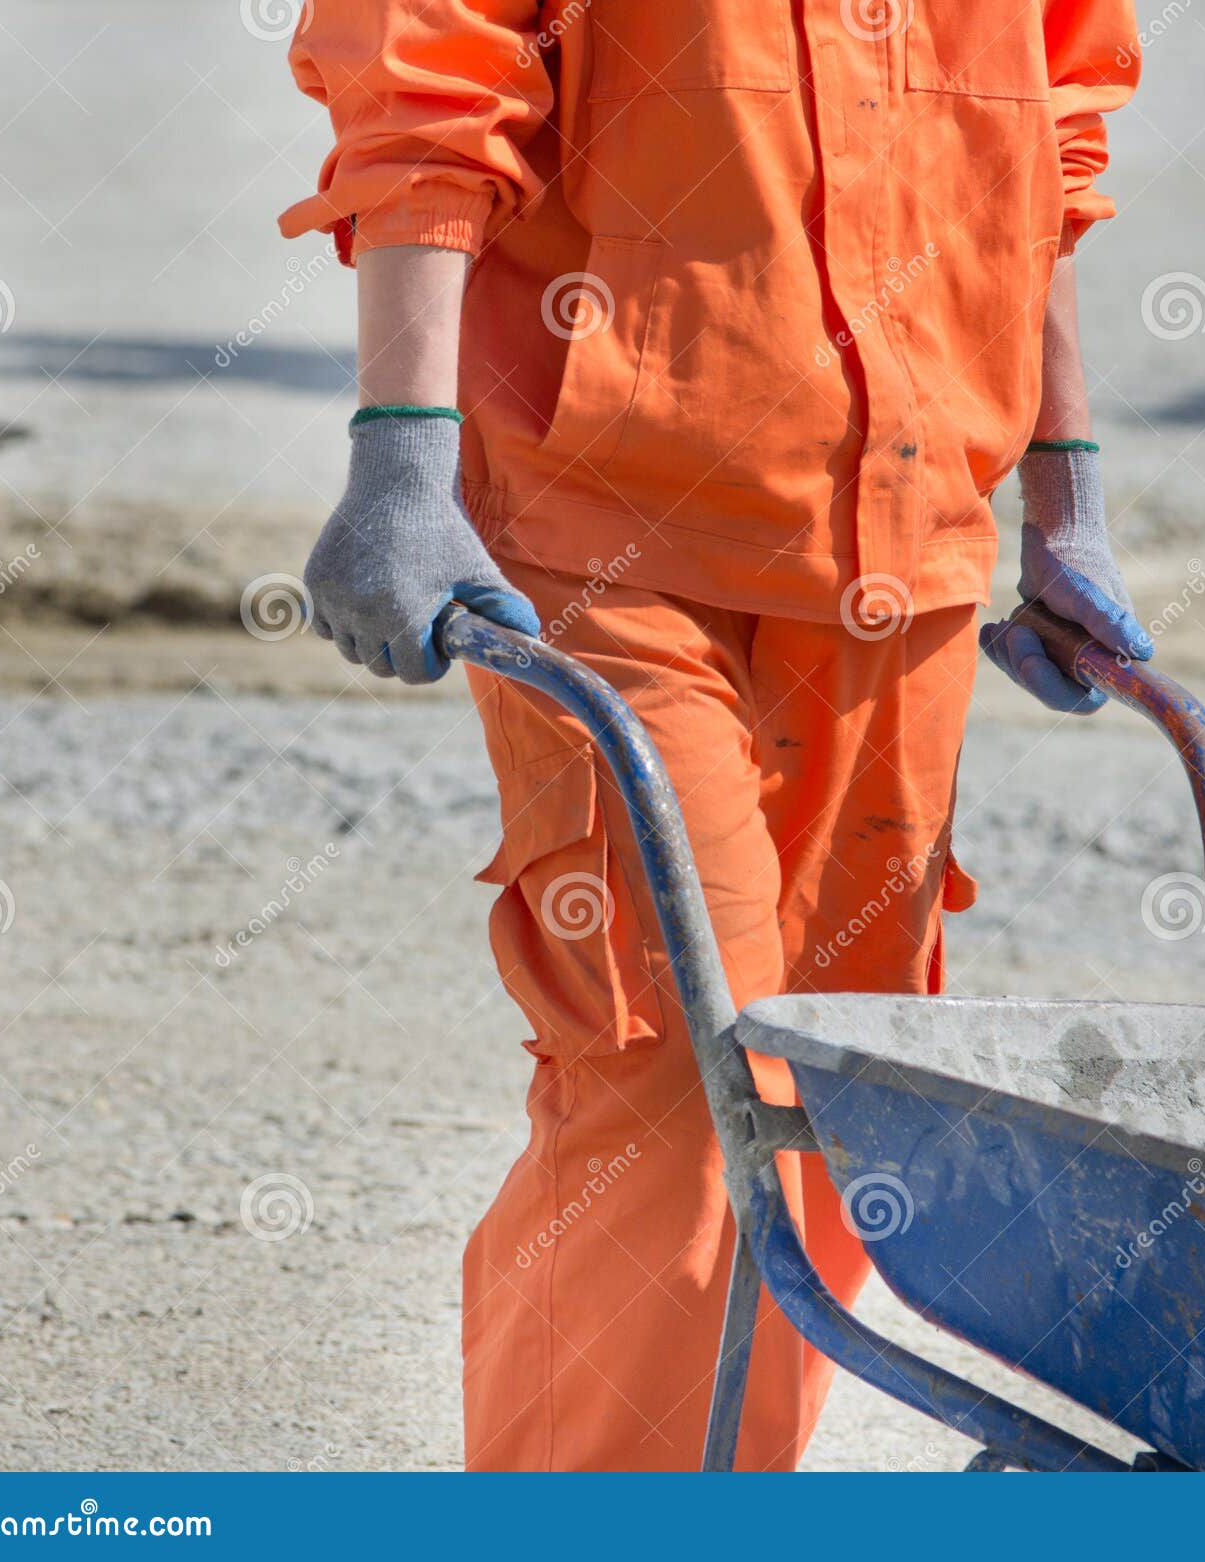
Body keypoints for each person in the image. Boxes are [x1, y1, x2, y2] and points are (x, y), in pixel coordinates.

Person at [282, 0, 1150, 1471]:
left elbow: (1046, 123)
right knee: (689, 1084)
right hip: (604, 515)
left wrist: (1065, 491)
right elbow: (427, 68)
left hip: (909, 526)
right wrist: (402, 450)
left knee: (834, 1096)